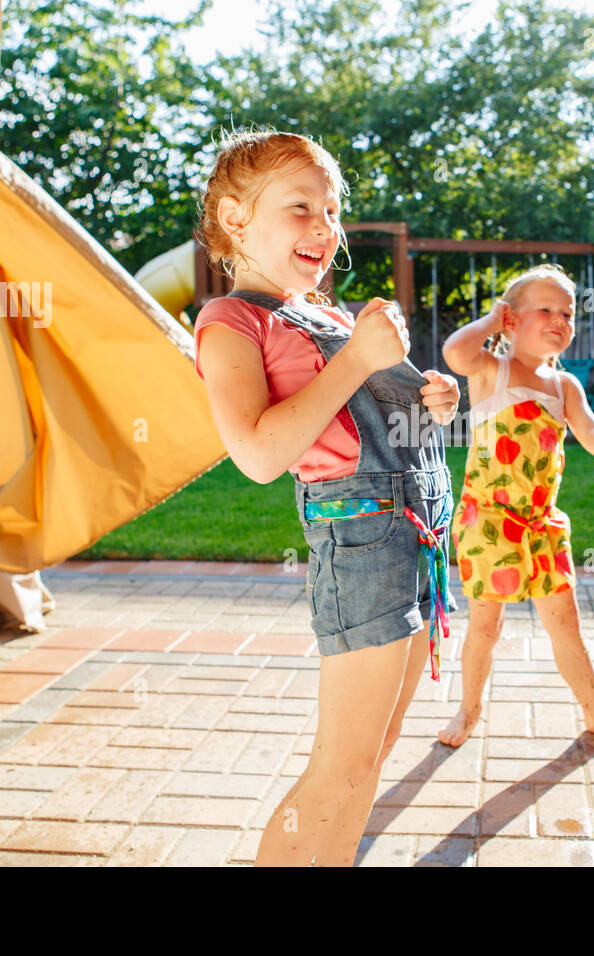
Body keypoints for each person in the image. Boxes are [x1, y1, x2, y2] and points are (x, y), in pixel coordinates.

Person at [192, 128, 461, 866]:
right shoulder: (231, 323)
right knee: (338, 768)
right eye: (301, 207)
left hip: (421, 537)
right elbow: (258, 453)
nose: (325, 227)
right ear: (235, 218)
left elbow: (376, 415)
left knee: (369, 763)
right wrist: (360, 361)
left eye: (332, 210)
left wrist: (430, 399)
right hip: (364, 540)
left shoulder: (336, 318)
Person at [439, 264, 594, 748]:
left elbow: (592, 432)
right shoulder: (491, 371)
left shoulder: (564, 387)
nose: (560, 319)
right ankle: (469, 709)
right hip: (490, 523)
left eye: (568, 312)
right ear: (512, 321)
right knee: (486, 627)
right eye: (546, 310)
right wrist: (491, 321)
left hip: (541, 527)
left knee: (566, 626)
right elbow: (455, 352)